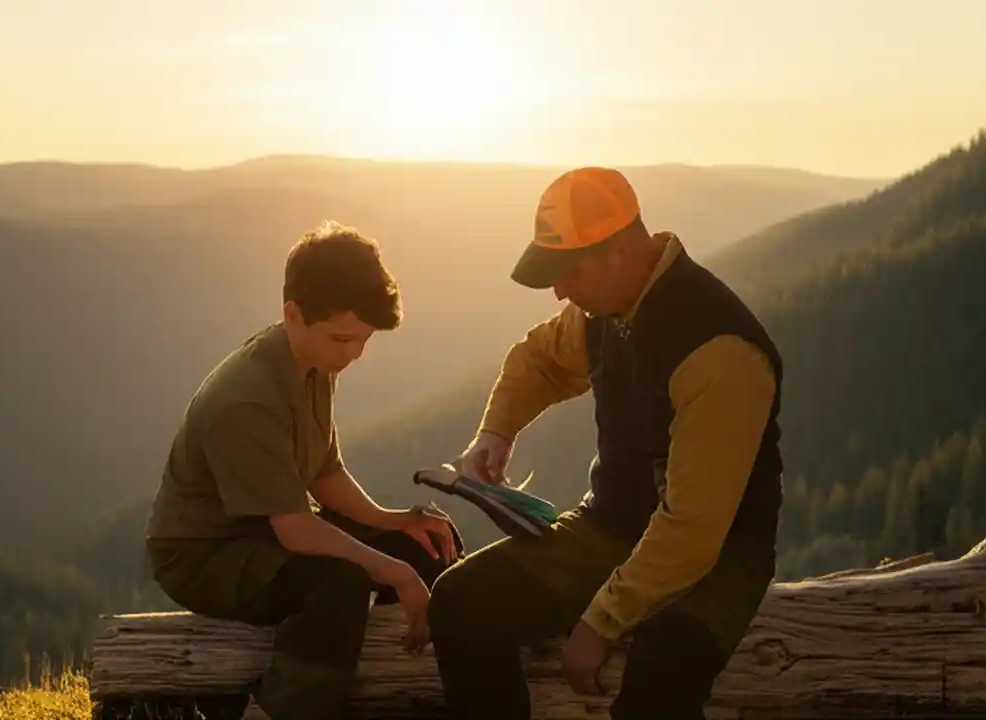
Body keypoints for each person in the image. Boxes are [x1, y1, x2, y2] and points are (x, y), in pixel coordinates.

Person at [427, 167, 784, 720]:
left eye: (568, 271)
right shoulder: (606, 311)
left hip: (719, 555)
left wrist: (601, 622)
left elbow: (693, 530)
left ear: (620, 250)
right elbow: (537, 360)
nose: (559, 290)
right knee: (458, 604)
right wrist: (496, 431)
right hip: (613, 526)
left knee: (660, 676)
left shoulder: (719, 349)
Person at [144, 221, 460, 720]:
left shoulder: (313, 363)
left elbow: (324, 474)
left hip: (270, 527)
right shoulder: (246, 398)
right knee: (337, 585)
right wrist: (394, 574)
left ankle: (400, 681)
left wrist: (393, 522)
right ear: (292, 314)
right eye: (342, 339)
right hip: (206, 554)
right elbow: (294, 529)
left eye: (363, 341)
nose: (353, 354)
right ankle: (277, 710)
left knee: (421, 544)